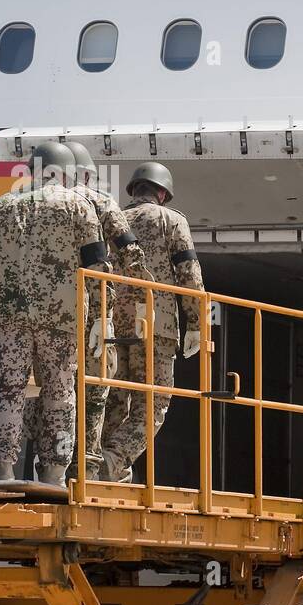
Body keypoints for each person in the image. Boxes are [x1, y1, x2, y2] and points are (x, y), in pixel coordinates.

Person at [0, 141, 105, 485]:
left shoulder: (0, 206)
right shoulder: (78, 205)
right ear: (64, 172)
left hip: (9, 320)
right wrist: (102, 317)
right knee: (60, 394)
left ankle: (3, 471)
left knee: (7, 391)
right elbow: (96, 265)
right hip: (61, 318)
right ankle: (54, 473)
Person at [98, 162, 204, 483]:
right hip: (155, 326)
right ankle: (114, 459)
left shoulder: (111, 222)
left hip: (113, 327)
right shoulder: (171, 220)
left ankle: (103, 466)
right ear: (162, 192)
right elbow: (188, 273)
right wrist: (196, 323)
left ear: (134, 191)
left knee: (115, 400)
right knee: (154, 402)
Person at [60, 141, 151, 478]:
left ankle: (52, 458)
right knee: (97, 387)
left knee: (57, 388)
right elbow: (131, 254)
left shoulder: (43, 204)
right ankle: (87, 466)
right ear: (87, 173)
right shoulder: (99, 201)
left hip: (52, 315)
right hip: (94, 311)